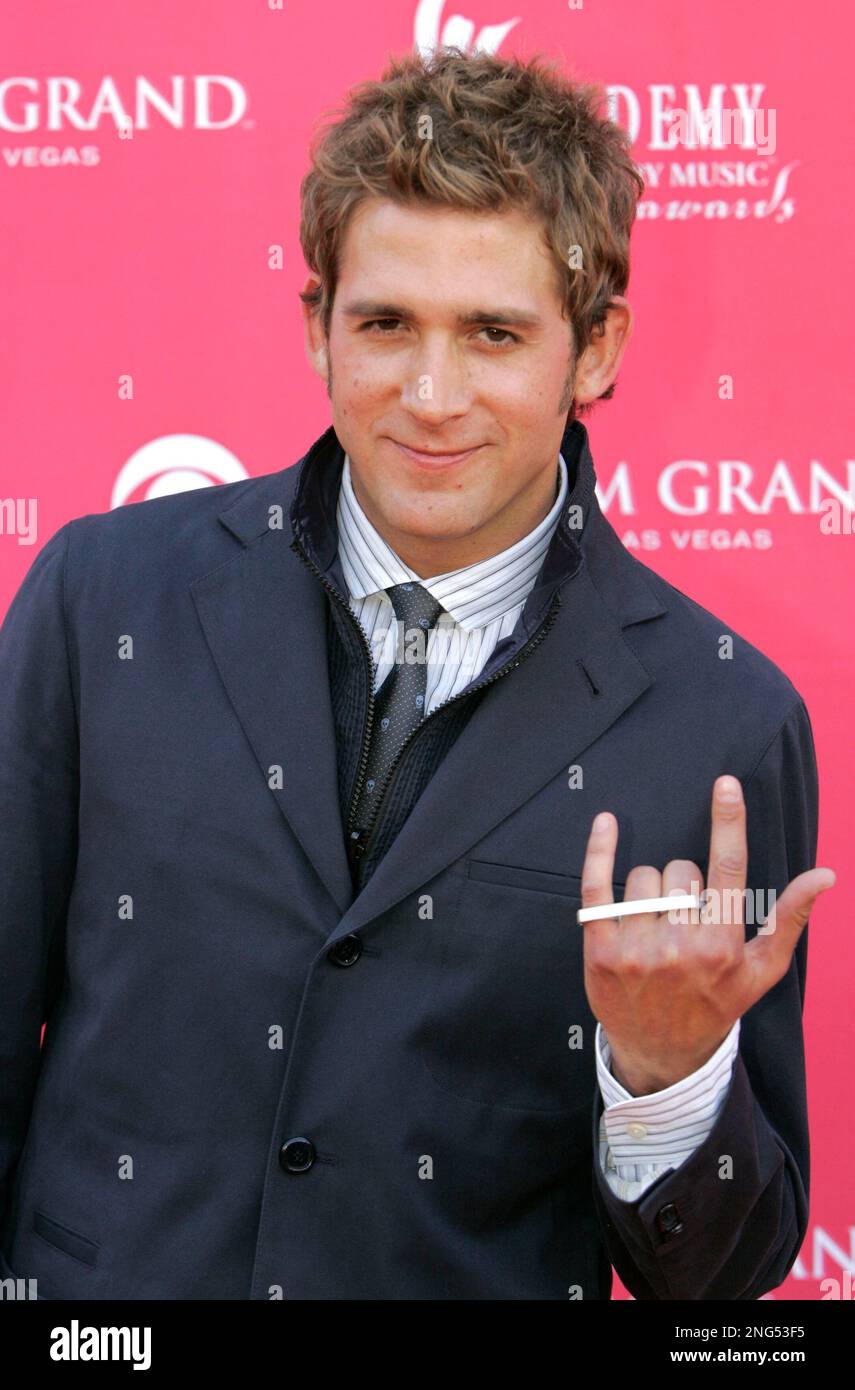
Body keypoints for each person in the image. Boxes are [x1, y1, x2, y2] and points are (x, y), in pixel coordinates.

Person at [0, 46, 835, 1301]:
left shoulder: (723, 718)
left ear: (595, 348)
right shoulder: (101, 599)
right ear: (317, 326)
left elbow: (721, 1282)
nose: (430, 395)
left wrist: (667, 1079)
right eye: (386, 323)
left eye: (494, 334)